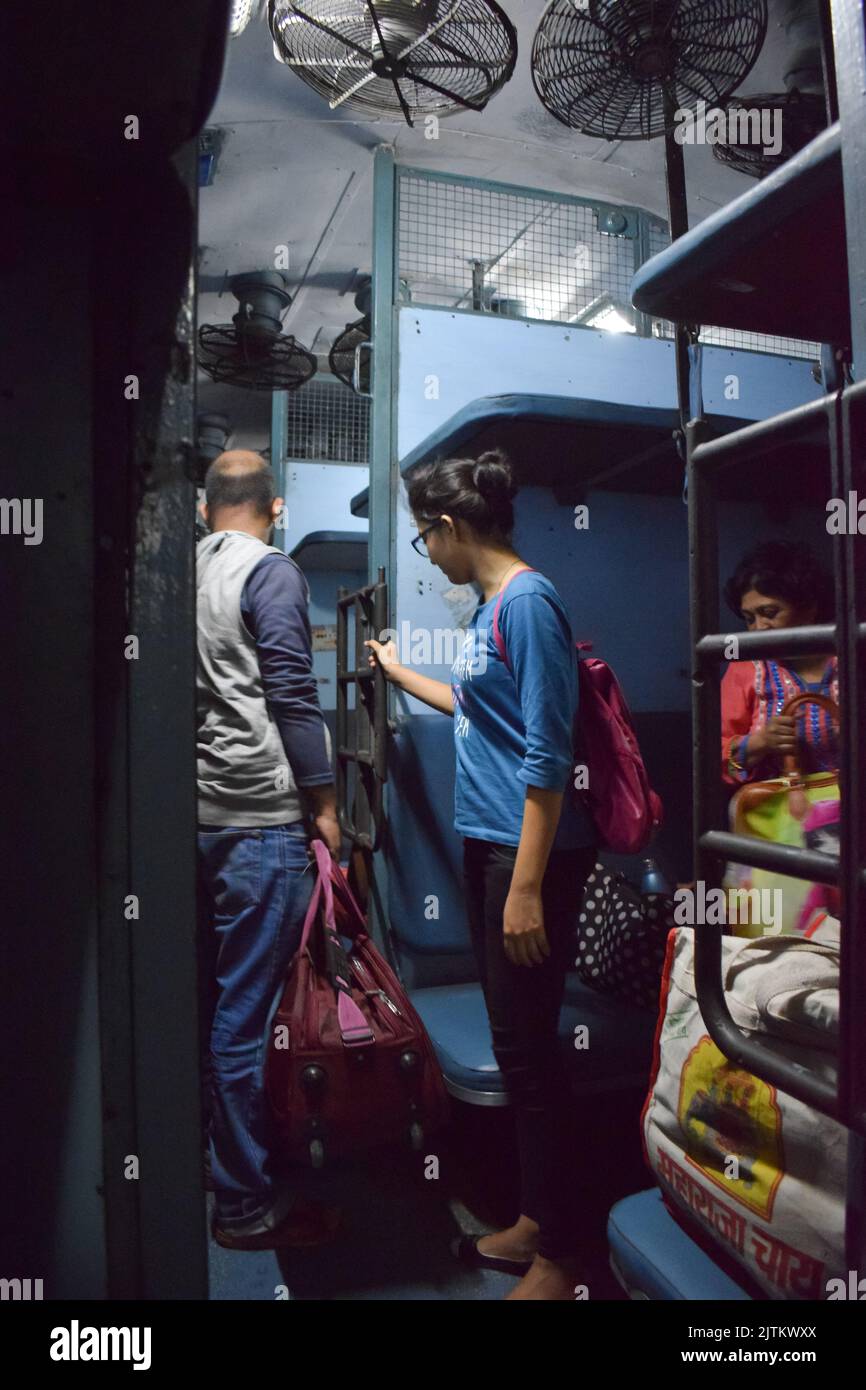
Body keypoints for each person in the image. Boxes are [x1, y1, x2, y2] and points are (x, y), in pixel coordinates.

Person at [366, 449, 597, 1301]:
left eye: (427, 538)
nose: (428, 554)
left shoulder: (528, 603)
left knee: (535, 1060)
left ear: (451, 528)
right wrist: (398, 675)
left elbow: (548, 753)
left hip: (524, 857)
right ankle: (540, 1218)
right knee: (519, 1046)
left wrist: (528, 885)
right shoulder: (492, 610)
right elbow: (479, 709)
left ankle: (564, 1255)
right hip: (491, 848)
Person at [196, 449, 341, 1251]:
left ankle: (224, 1167)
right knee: (245, 1020)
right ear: (275, 507)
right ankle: (244, 1202)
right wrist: (324, 804)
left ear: (206, 506)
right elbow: (291, 690)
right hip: (261, 816)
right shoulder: (270, 571)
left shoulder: (181, 571)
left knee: (216, 1006)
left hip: (201, 815)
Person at [721, 539, 838, 787]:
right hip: (779, 818)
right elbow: (715, 756)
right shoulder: (745, 670)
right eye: (749, 618)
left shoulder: (851, 663)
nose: (758, 628)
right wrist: (761, 741)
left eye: (769, 613)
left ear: (808, 607)